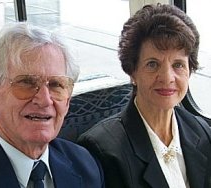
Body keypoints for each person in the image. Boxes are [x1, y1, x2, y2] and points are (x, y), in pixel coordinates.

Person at [78, 3, 211, 188]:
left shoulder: (201, 131)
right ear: (132, 72)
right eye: (152, 64)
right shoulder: (103, 151)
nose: (167, 77)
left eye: (178, 65)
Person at [0, 22, 104, 188]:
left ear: (67, 100)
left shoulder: (85, 165)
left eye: (56, 85)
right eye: (26, 82)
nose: (44, 100)